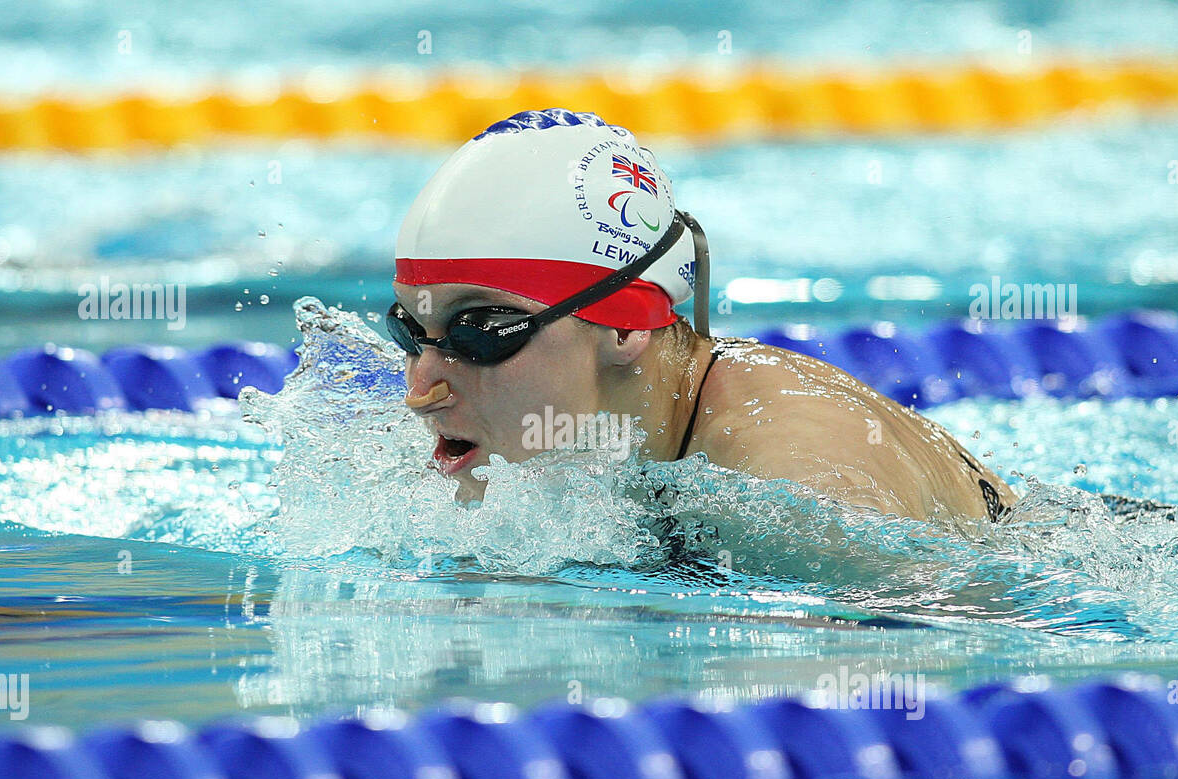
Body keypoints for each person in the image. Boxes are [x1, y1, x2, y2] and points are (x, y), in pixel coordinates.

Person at [387, 108, 1017, 526]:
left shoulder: (796, 487)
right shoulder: (630, 441)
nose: (421, 389)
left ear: (624, 325)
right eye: (411, 331)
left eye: (481, 331)